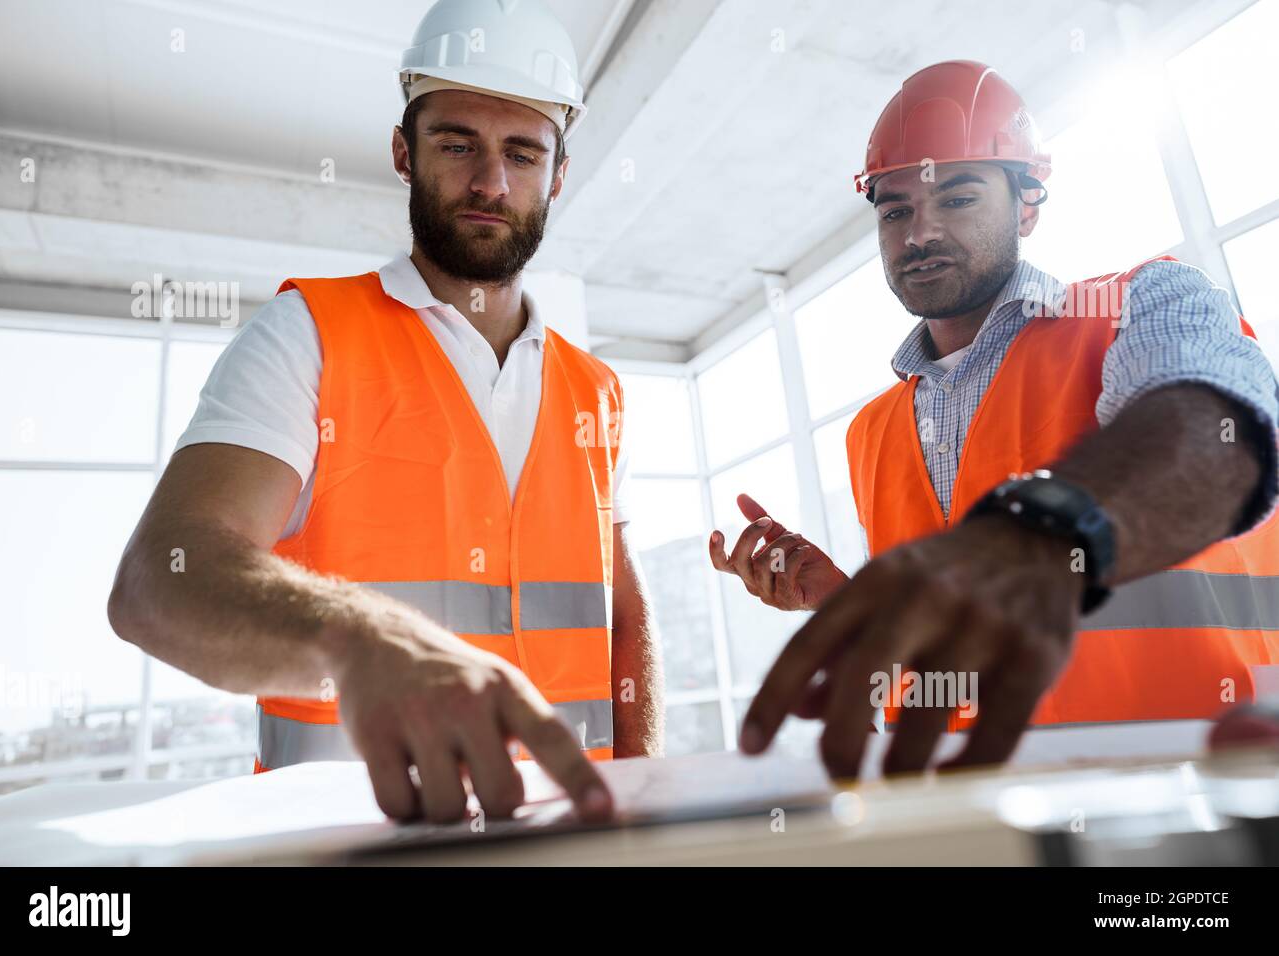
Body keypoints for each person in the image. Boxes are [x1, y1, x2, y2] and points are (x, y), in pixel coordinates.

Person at [108, 0, 663, 824]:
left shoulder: (596, 391)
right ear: (404, 152)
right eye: (456, 144)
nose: (490, 182)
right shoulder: (308, 336)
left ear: (560, 172)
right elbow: (161, 579)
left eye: (522, 152)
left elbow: (622, 614)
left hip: (570, 839)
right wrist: (360, 641)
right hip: (357, 845)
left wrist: (643, 802)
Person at [711, 60, 1279, 780]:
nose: (921, 233)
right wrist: (847, 601)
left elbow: (1215, 433)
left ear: (1028, 206)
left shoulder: (1139, 305)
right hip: (971, 809)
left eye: (957, 197)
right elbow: (957, 627)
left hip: (1185, 795)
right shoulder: (871, 432)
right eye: (895, 211)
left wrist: (1039, 535)